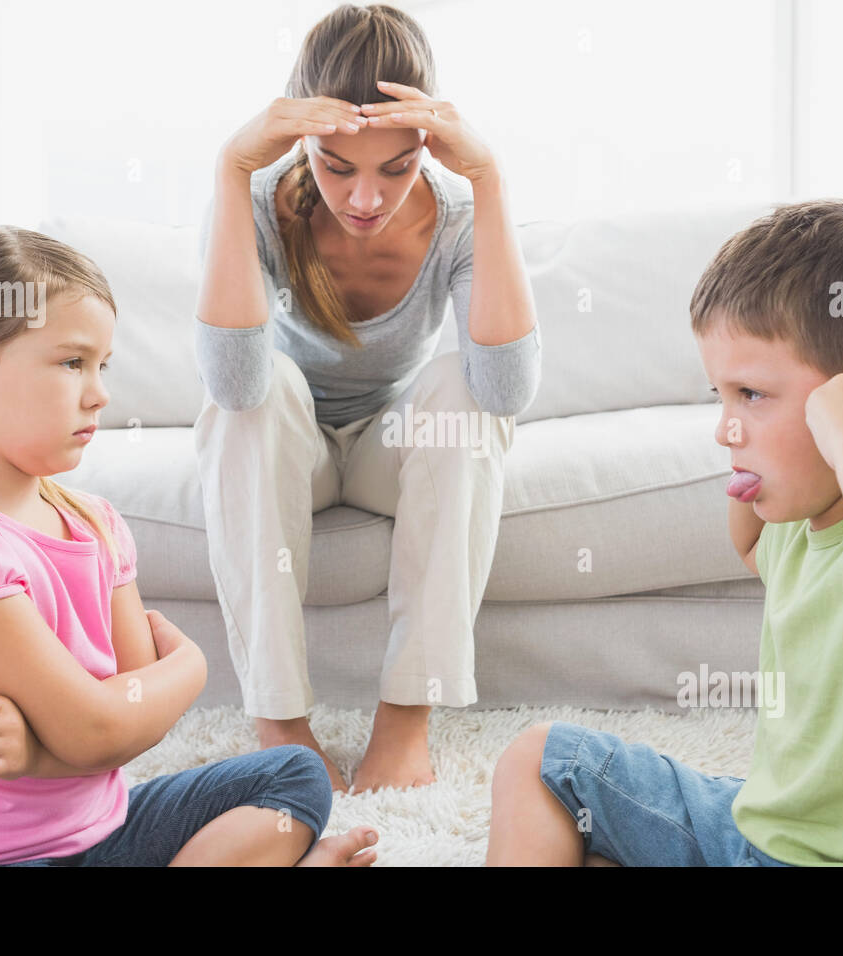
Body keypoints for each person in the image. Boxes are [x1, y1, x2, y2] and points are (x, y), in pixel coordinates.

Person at [486, 199, 843, 866]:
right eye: (720, 396)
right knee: (541, 762)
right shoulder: (805, 518)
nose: (724, 428)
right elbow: (757, 549)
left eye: (753, 395)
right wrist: (758, 459)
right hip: (780, 837)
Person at [0, 222, 378, 866]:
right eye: (72, 362)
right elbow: (100, 726)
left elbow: (127, 730)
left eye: (103, 365)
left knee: (293, 775)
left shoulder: (94, 523)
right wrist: (191, 668)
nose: (100, 394)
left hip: (96, 837)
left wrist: (42, 751)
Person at [193, 3, 541, 793]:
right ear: (300, 142)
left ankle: (405, 721)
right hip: (292, 443)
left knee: (460, 383)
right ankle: (279, 727)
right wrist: (229, 169)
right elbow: (238, 385)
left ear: (429, 146)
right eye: (337, 167)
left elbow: (505, 390)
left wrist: (489, 181)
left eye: (397, 168)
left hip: (389, 445)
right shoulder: (254, 205)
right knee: (257, 392)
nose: (364, 200)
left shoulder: (453, 219)